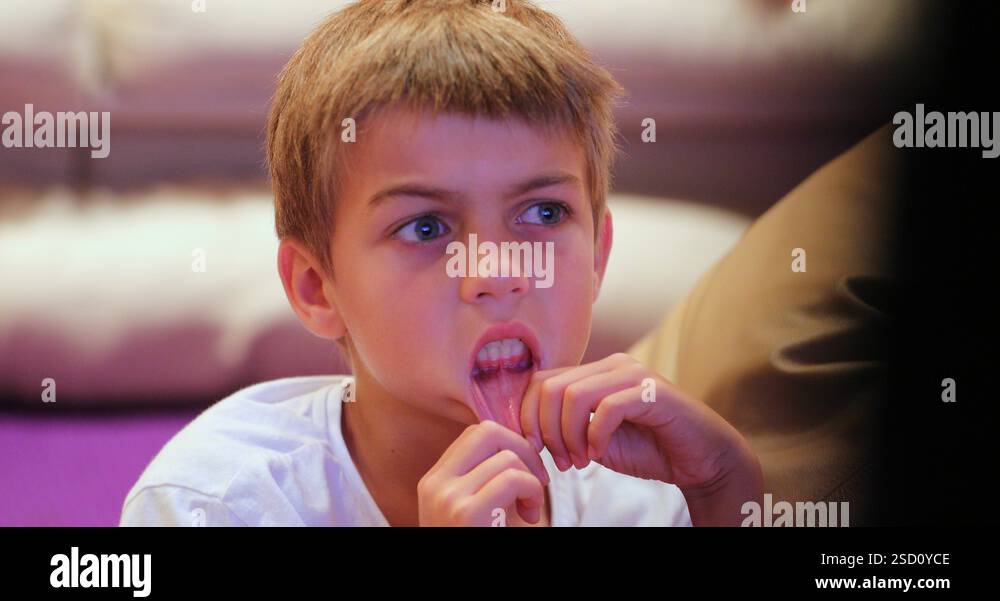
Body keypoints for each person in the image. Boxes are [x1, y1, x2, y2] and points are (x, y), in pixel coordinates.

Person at [120, 0, 762, 527]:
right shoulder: (217, 504)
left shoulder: (650, 493)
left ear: (597, 256)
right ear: (318, 288)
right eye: (426, 227)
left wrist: (725, 498)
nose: (498, 270)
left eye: (542, 214)